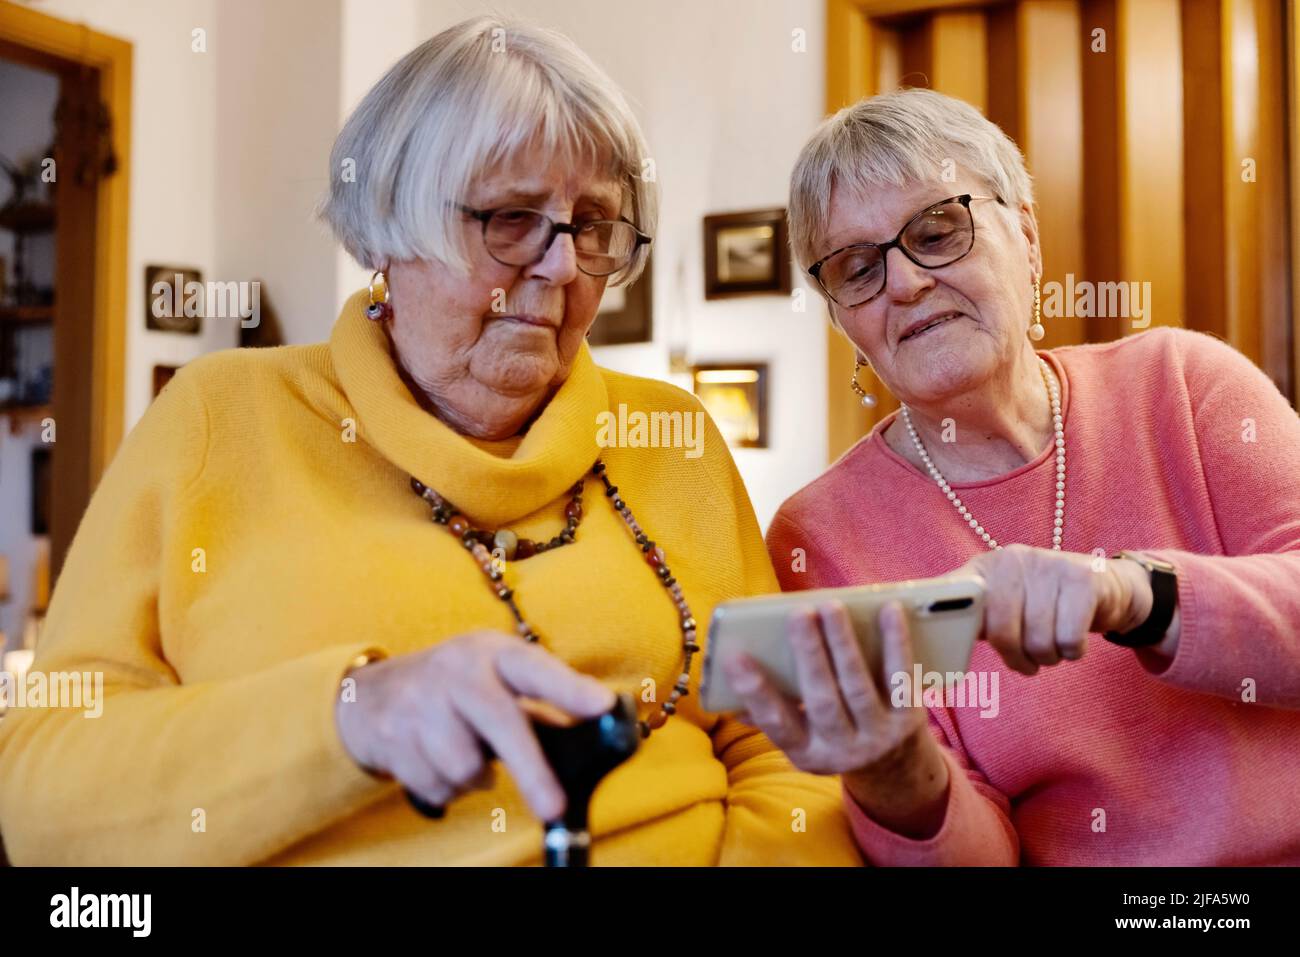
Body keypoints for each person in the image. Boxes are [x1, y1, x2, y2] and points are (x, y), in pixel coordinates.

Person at [0, 17, 861, 867]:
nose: (562, 265)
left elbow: (786, 751)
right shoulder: (216, 420)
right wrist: (349, 716)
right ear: (389, 229)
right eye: (512, 216)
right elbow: (41, 791)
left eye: (591, 223)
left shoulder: (673, 440)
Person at [727, 87, 1300, 865]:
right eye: (857, 268)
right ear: (842, 320)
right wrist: (898, 773)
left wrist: (1134, 592)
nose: (904, 283)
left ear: (1026, 237)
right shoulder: (821, 532)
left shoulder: (1182, 382)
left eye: (937, 230)